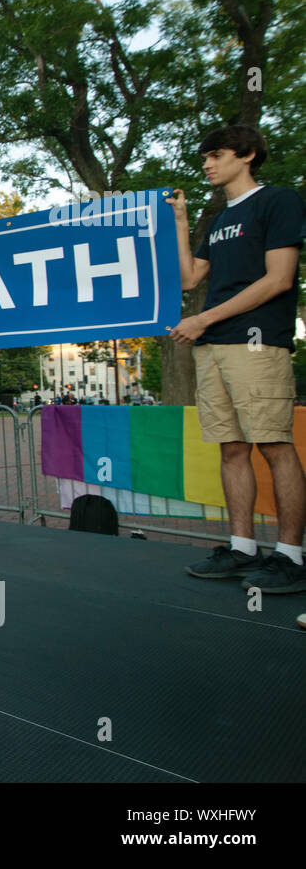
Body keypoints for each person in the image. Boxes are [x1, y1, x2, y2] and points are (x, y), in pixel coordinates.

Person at [171, 124, 306, 593]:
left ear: (246, 155)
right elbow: (190, 279)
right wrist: (182, 222)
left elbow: (278, 279)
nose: (207, 163)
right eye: (204, 156)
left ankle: (290, 556)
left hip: (256, 341)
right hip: (213, 346)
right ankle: (242, 547)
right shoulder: (219, 218)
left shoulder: (279, 201)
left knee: (273, 444)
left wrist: (204, 320)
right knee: (231, 448)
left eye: (216, 154)